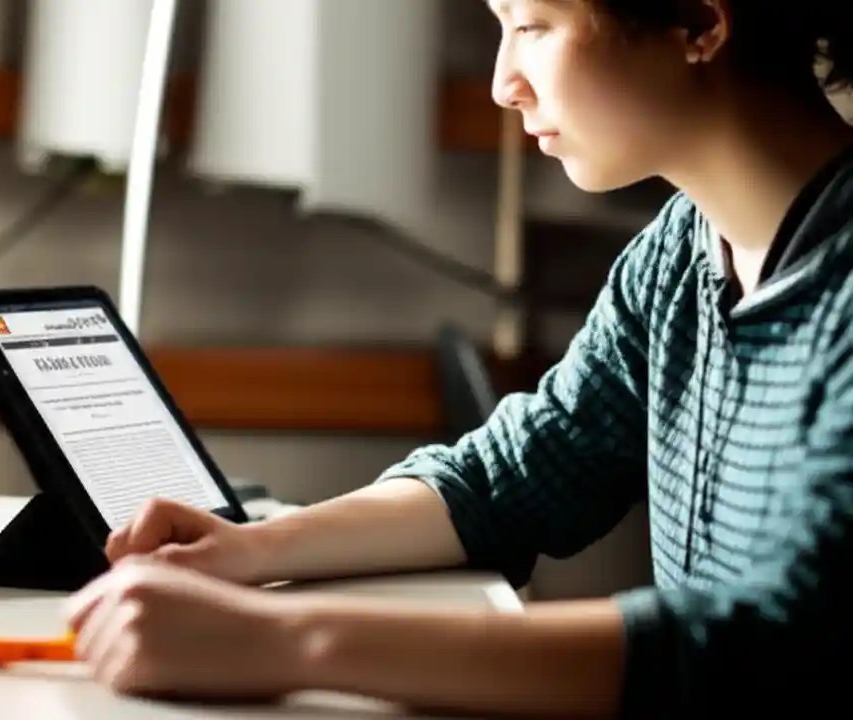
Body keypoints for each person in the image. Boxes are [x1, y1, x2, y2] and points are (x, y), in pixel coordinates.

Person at [63, 1, 853, 716]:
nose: (504, 84)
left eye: (532, 26)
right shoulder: (676, 254)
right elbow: (513, 478)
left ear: (700, 24)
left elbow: (783, 646)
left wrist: (285, 640)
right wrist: (243, 551)